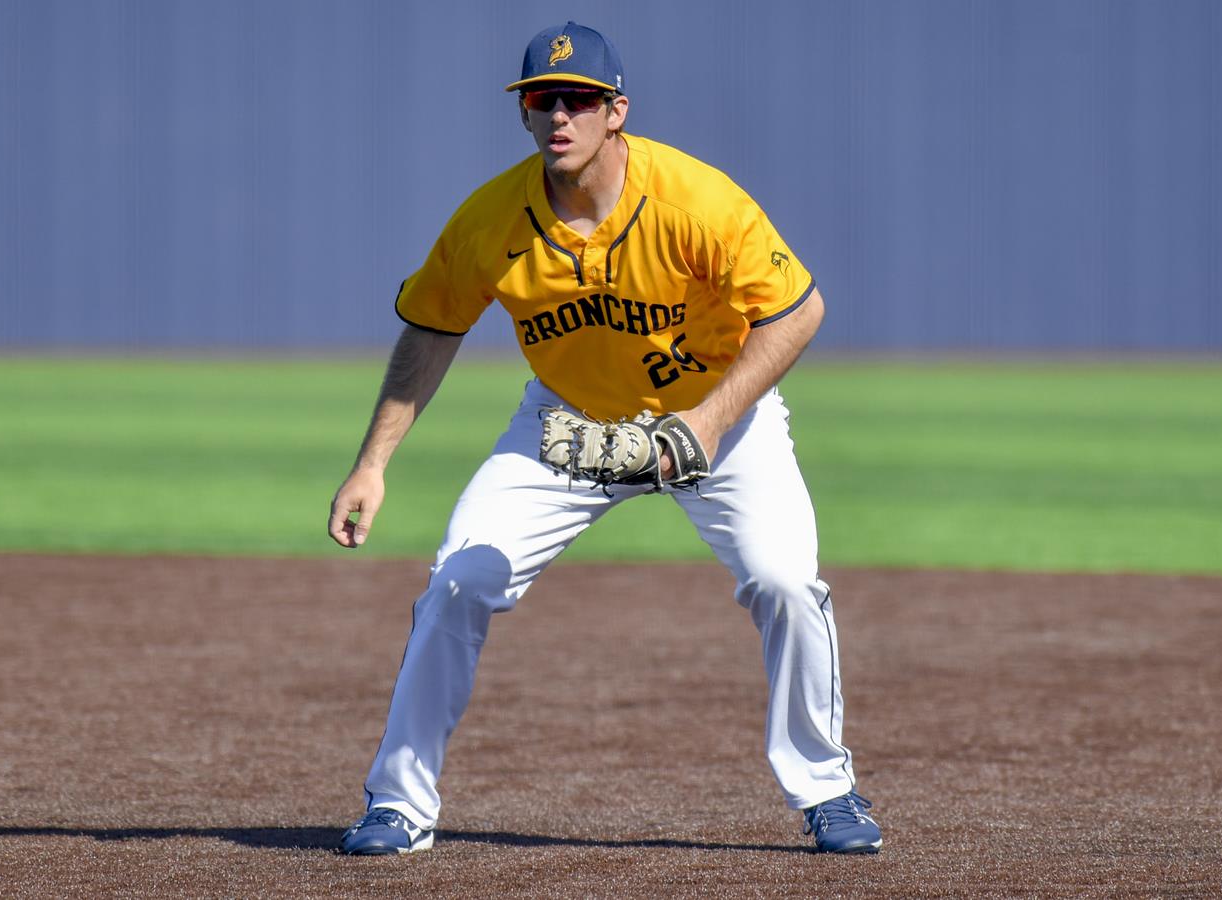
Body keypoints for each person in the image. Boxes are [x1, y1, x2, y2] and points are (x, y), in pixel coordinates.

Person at [327, 22, 882, 856]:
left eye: (579, 99)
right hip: (570, 425)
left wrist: (708, 421)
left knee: (785, 582)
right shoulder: (490, 221)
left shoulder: (694, 201)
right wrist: (371, 464)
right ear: (523, 114)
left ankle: (828, 789)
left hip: (715, 421)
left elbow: (798, 310)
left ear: (616, 110)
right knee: (457, 581)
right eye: (541, 99)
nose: (559, 114)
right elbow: (431, 330)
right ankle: (398, 804)